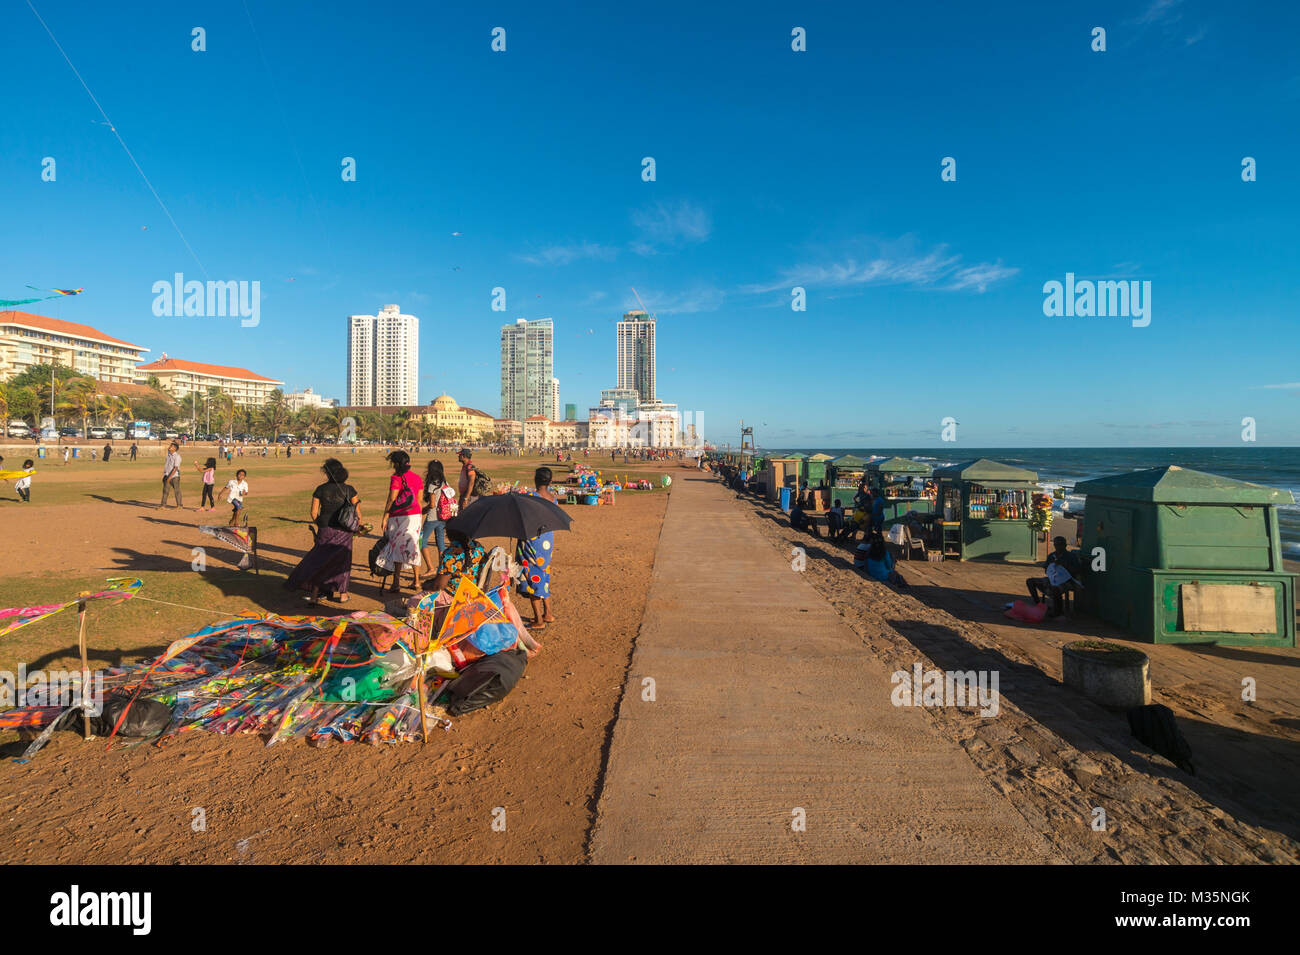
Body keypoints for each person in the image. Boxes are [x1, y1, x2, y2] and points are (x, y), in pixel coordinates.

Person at [285, 458, 362, 605]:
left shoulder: (320, 489)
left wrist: (321, 525)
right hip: (345, 531)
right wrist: (355, 528)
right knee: (343, 562)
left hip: (325, 530)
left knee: (320, 562)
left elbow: (314, 513)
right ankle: (343, 594)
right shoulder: (349, 489)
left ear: (328, 473)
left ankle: (314, 596)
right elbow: (358, 514)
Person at [515, 467, 558, 629]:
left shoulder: (531, 497)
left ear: (535, 480)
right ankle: (548, 613)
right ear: (550, 482)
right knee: (543, 574)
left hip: (532, 543)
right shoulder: (553, 499)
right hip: (546, 543)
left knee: (533, 577)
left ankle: (538, 620)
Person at [376, 450, 424, 593]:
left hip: (398, 516)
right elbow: (419, 500)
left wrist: (385, 516)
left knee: (397, 548)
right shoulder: (417, 478)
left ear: (396, 464)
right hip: (415, 516)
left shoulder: (396, 478)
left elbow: (392, 498)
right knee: (414, 547)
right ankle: (416, 581)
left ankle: (396, 583)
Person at [418, 459, 455, 585]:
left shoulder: (432, 484)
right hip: (444, 517)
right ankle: (442, 570)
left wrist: (422, 510)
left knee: (421, 541)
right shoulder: (445, 482)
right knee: (441, 544)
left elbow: (432, 505)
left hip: (433, 517)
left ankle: (430, 568)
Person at [1028, 536, 1084, 617]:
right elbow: (1046, 570)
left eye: (1060, 544)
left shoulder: (1071, 556)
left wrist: (1063, 565)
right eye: (1056, 545)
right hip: (1053, 578)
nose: (1058, 547)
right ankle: (1038, 604)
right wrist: (1052, 566)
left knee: (1055, 589)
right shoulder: (1052, 555)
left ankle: (1058, 611)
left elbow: (1077, 570)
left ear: (1065, 545)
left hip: (1066, 580)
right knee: (1030, 581)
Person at [427, 527, 489, 593]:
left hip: (454, 596)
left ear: (448, 534)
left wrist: (426, 585)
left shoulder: (450, 554)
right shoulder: (478, 548)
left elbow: (440, 586)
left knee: (415, 599)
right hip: (472, 593)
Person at [160, 442, 183, 507]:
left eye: (171, 446)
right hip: (167, 475)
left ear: (175, 448)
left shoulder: (177, 456)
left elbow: (175, 468)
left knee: (177, 491)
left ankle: (179, 505)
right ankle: (163, 506)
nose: (169, 447)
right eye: (170, 445)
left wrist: (170, 477)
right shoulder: (168, 455)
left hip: (174, 476)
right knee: (165, 491)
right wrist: (165, 475)